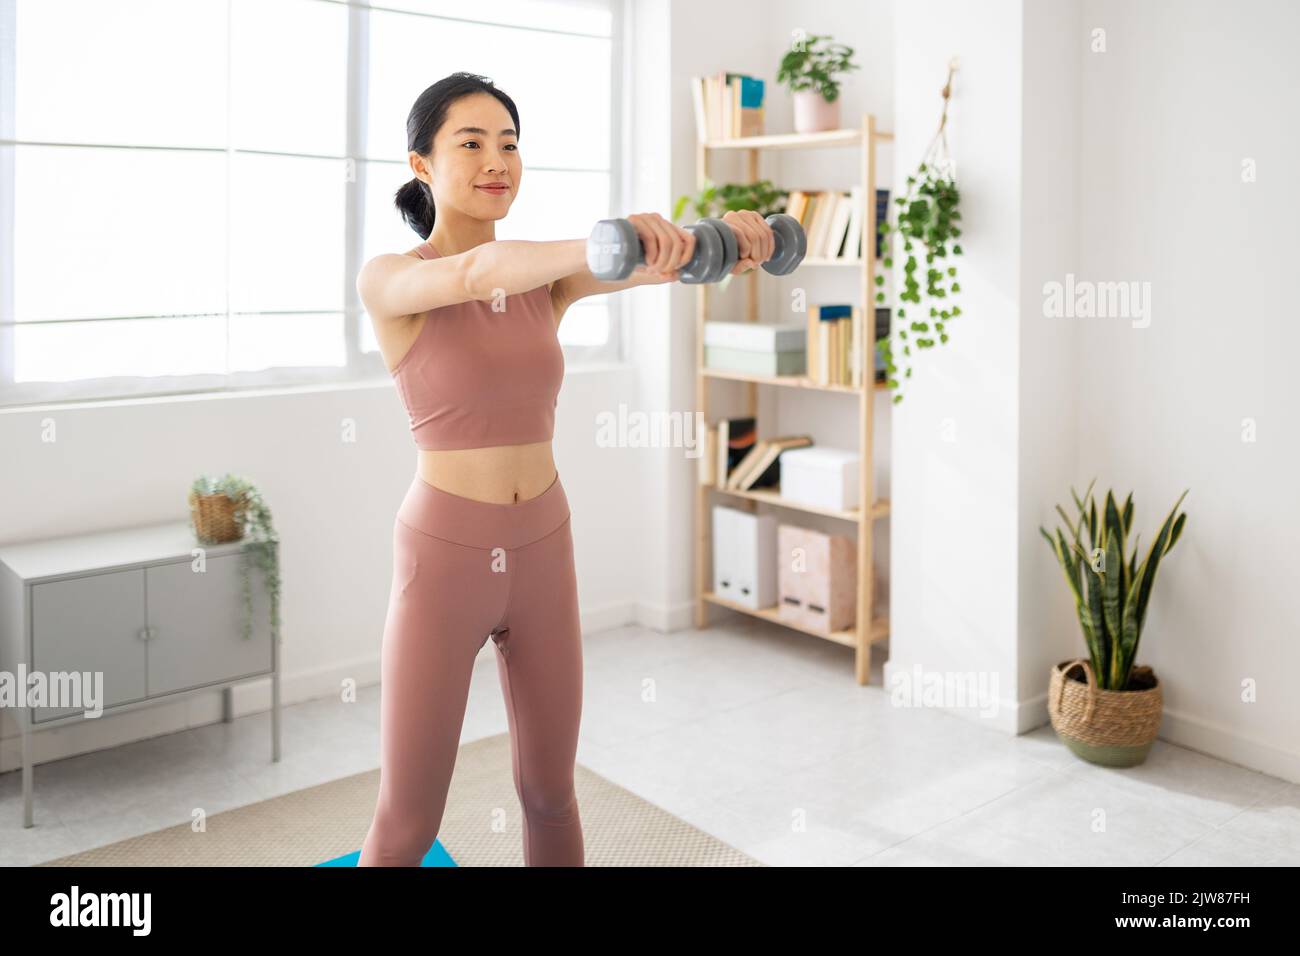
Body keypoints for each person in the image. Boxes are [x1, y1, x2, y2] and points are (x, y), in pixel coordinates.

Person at [353, 71, 776, 867]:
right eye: (471, 143)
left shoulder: (543, 280)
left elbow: (657, 266)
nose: (496, 160)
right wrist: (601, 242)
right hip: (445, 556)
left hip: (545, 544)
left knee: (551, 794)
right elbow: (477, 274)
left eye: (509, 144)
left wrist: (726, 243)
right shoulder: (391, 280)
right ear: (421, 165)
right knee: (408, 822)